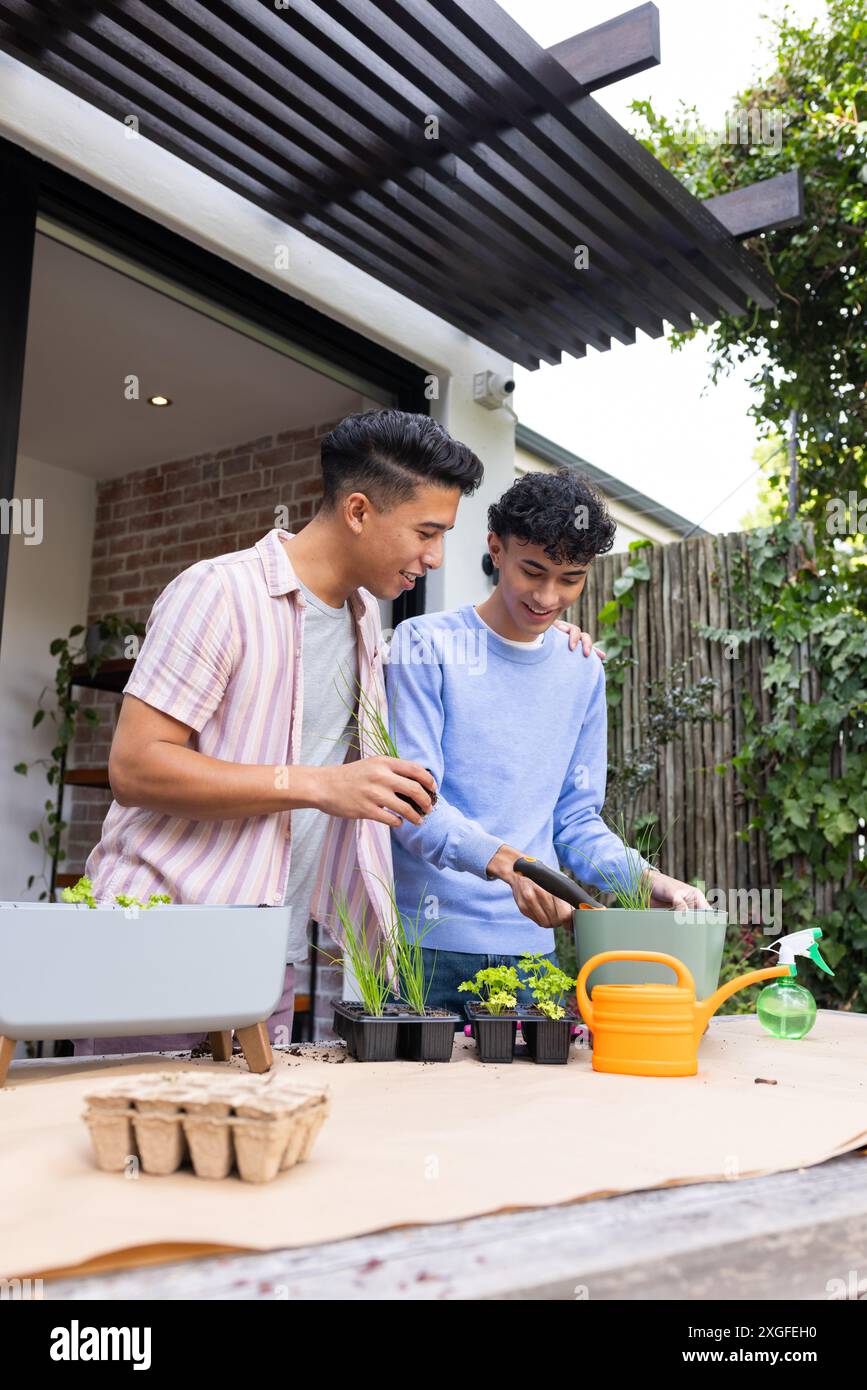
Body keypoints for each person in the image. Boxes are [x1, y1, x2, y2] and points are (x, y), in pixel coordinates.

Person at [73, 409, 482, 1056]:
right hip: (162, 940)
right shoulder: (218, 593)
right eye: (426, 532)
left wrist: (547, 638)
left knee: (255, 1123)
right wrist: (320, 785)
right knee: (134, 1123)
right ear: (357, 510)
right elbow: (136, 767)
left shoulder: (362, 620)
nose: (434, 557)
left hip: (268, 951)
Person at [385, 467, 710, 1018]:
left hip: (531, 954)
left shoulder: (582, 669)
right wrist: (510, 864)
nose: (546, 596)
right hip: (427, 948)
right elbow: (412, 803)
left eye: (570, 579)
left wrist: (647, 881)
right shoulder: (425, 645)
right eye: (532, 571)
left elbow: (575, 823)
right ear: (496, 548)